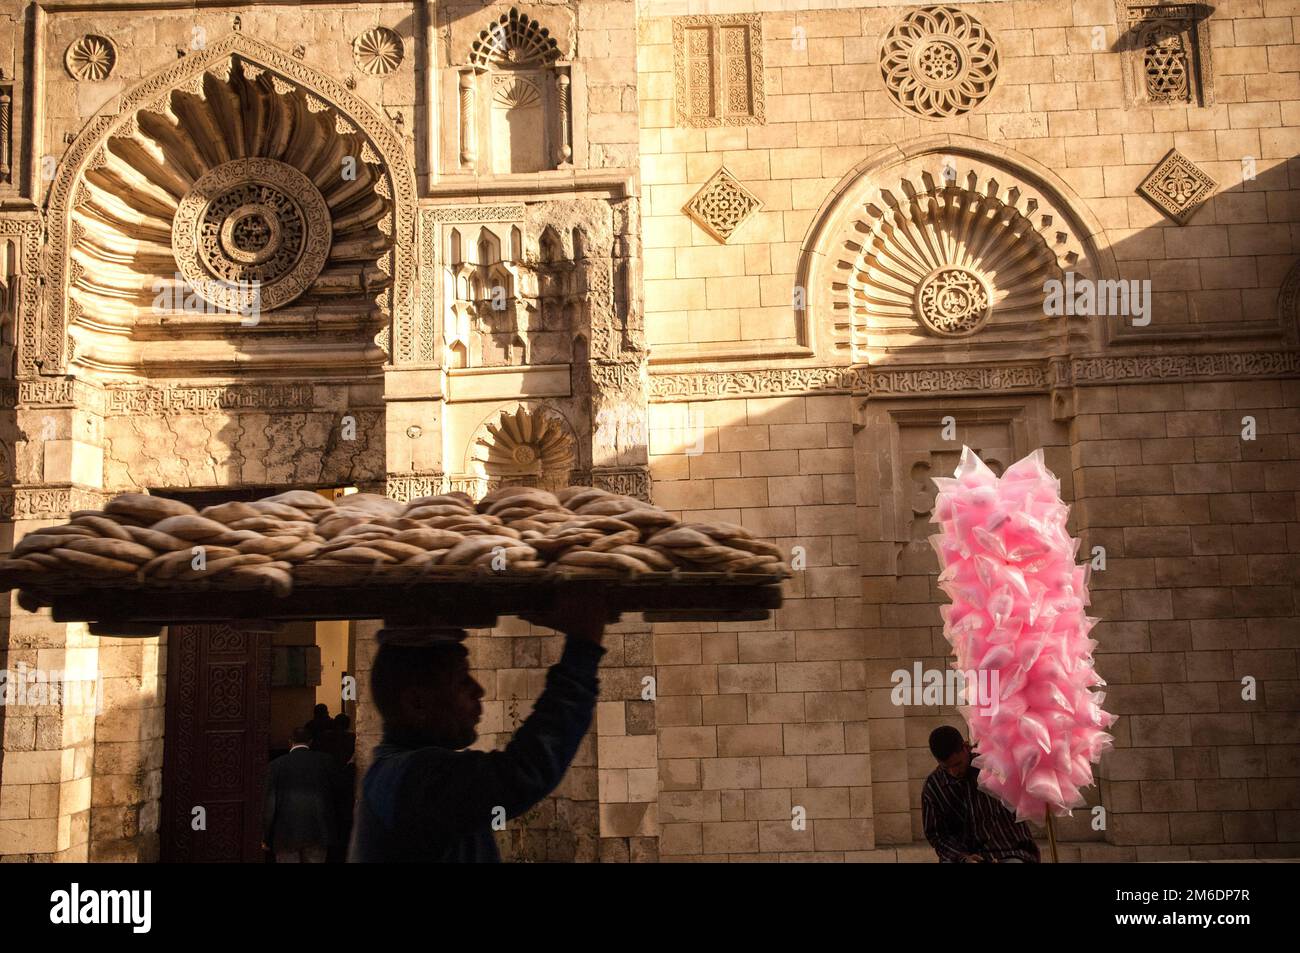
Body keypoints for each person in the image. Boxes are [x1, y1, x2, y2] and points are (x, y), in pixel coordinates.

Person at [348, 587, 608, 862]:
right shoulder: (410, 780)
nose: (479, 690)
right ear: (417, 703)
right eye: (462, 681)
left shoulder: (395, 776)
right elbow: (523, 771)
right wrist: (583, 646)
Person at [921, 725, 1041, 863]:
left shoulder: (994, 764)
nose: (953, 772)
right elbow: (939, 837)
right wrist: (963, 858)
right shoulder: (934, 788)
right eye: (946, 767)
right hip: (963, 857)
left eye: (957, 764)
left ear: (966, 747)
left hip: (1009, 851)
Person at [264, 726, 351, 863]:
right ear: (310, 741)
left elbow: (269, 804)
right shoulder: (326, 761)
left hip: (285, 833)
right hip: (318, 831)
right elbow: (340, 795)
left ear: (290, 741)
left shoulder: (276, 766)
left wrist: (265, 835)